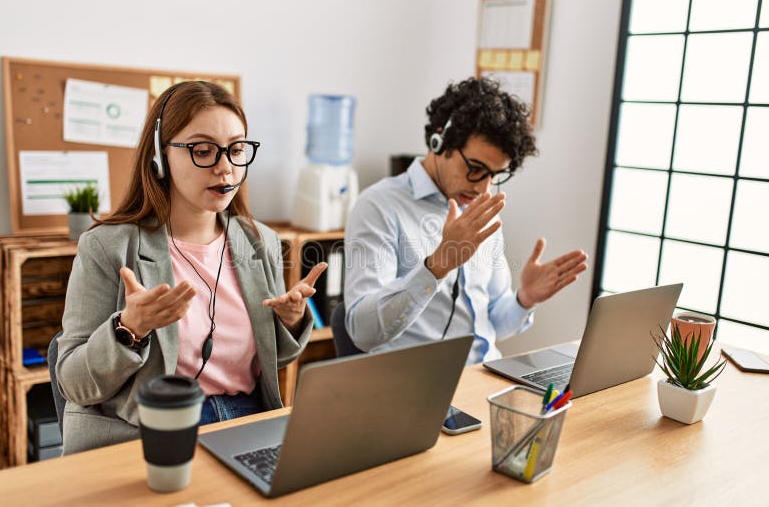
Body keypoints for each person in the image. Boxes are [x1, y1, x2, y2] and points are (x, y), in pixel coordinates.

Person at [56, 81, 325, 454]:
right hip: (147, 431)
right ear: (158, 156)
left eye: (235, 150)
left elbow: (272, 360)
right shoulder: (108, 246)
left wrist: (291, 321)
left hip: (245, 420)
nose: (225, 168)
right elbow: (73, 383)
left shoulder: (258, 241)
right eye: (203, 151)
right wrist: (128, 329)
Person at [344, 77, 588, 364]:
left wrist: (525, 299)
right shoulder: (379, 205)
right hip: (419, 390)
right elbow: (362, 332)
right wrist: (437, 266)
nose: (483, 188)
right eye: (475, 168)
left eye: (494, 175)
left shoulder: (479, 211)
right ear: (439, 141)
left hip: (484, 381)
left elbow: (494, 324)